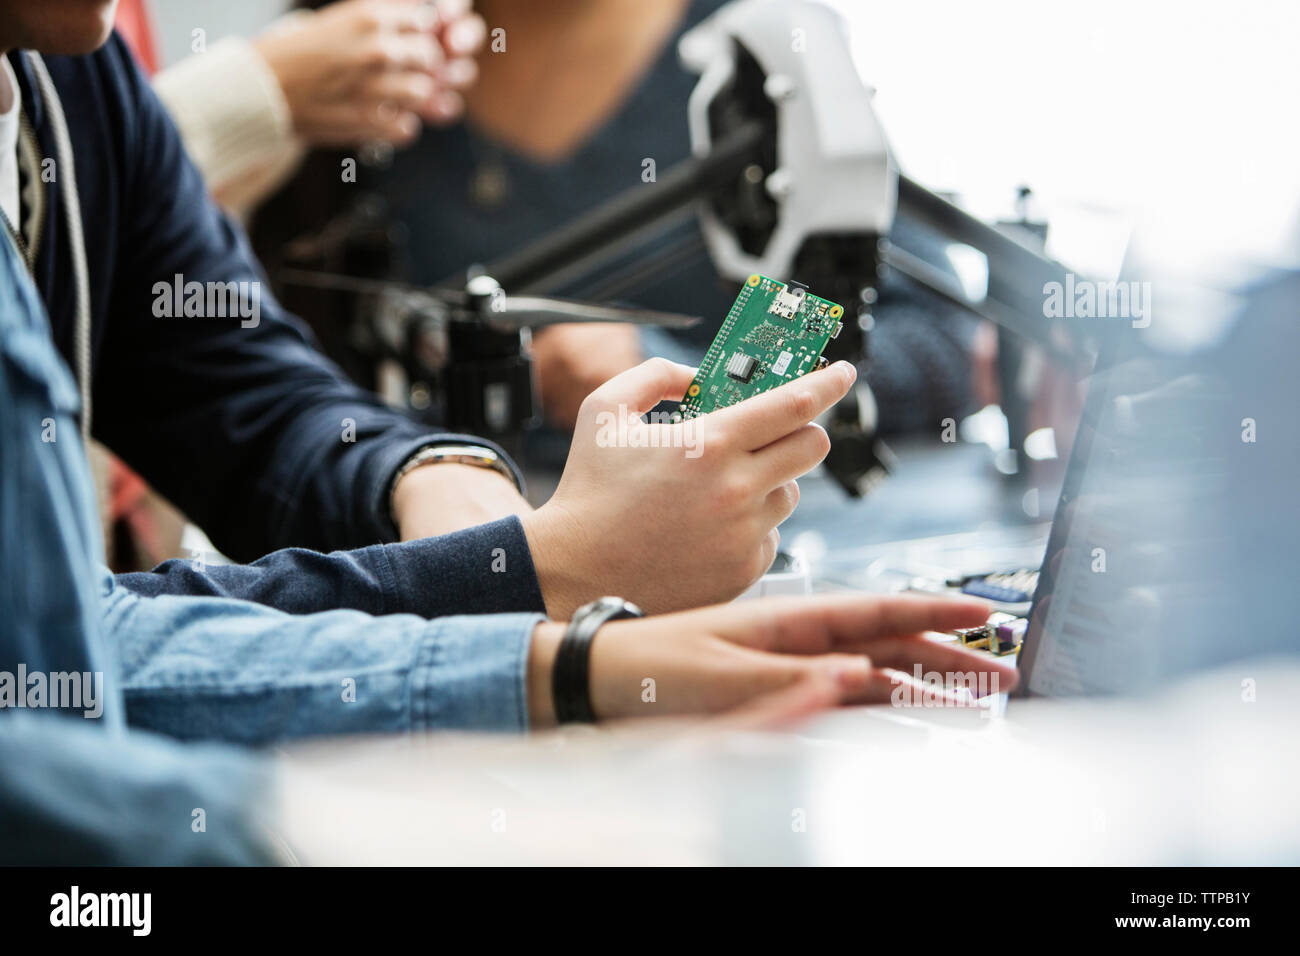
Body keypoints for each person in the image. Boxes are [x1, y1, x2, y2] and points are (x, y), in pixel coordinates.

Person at [0, 170, 1014, 860]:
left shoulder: (76, 81)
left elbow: (239, 375)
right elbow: (49, 677)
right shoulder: (361, 83)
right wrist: (531, 588)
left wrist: (463, 506)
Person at [2, 0, 856, 619]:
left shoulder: (83, 67)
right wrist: (516, 579)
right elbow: (56, 640)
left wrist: (432, 474)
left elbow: (234, 380)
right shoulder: (335, 78)